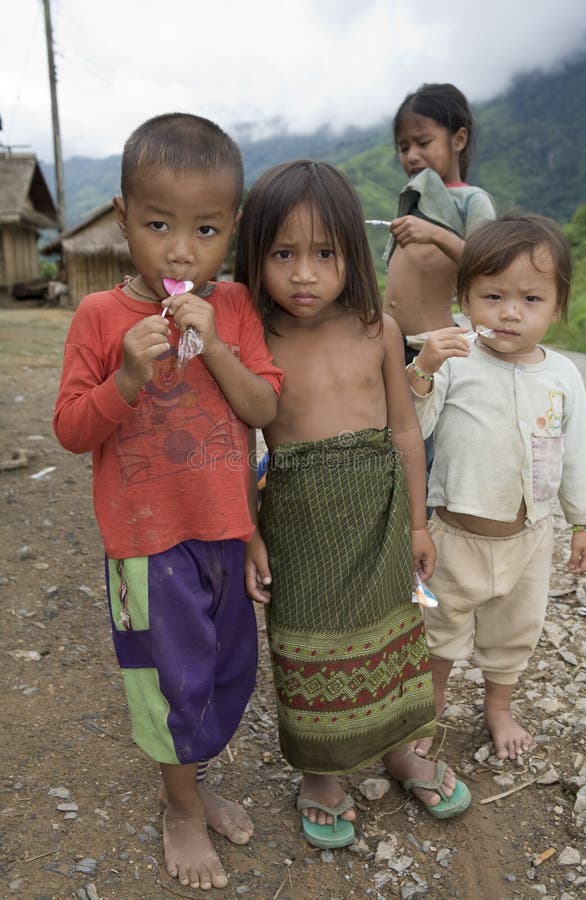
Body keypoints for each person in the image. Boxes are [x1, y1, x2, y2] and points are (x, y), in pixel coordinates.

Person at [53, 113, 284, 890]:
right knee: (166, 681)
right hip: (146, 545)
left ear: (234, 229)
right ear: (122, 217)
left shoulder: (240, 309)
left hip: (223, 534)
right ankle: (179, 807)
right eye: (158, 225)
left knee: (226, 673)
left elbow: (262, 410)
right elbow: (69, 429)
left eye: (206, 229)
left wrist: (213, 342)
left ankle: (194, 779)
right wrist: (122, 380)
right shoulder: (98, 319)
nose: (181, 250)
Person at [236, 160, 471, 851]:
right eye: (284, 253)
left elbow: (404, 430)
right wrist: (250, 535)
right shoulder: (257, 338)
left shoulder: (379, 331)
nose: (304, 273)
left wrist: (420, 522)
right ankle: (321, 774)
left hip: (379, 515)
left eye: (324, 253)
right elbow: (236, 442)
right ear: (257, 255)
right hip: (299, 523)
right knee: (306, 651)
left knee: (396, 639)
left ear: (353, 255)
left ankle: (400, 751)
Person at [406, 213, 586, 761]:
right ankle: (431, 703)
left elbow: (578, 454)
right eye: (493, 295)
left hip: (530, 537)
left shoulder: (563, 376)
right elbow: (411, 428)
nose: (510, 312)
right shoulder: (453, 361)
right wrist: (421, 370)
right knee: (438, 626)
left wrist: (583, 521)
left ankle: (498, 707)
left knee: (515, 632)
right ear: (464, 299)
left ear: (557, 306)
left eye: (531, 299)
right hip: (454, 536)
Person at [383, 82, 496, 361]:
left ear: (459, 139)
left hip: (431, 347)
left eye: (423, 143)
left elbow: (491, 265)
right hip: (391, 345)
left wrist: (437, 235)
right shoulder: (411, 202)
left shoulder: (471, 200)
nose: (411, 155)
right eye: (403, 147)